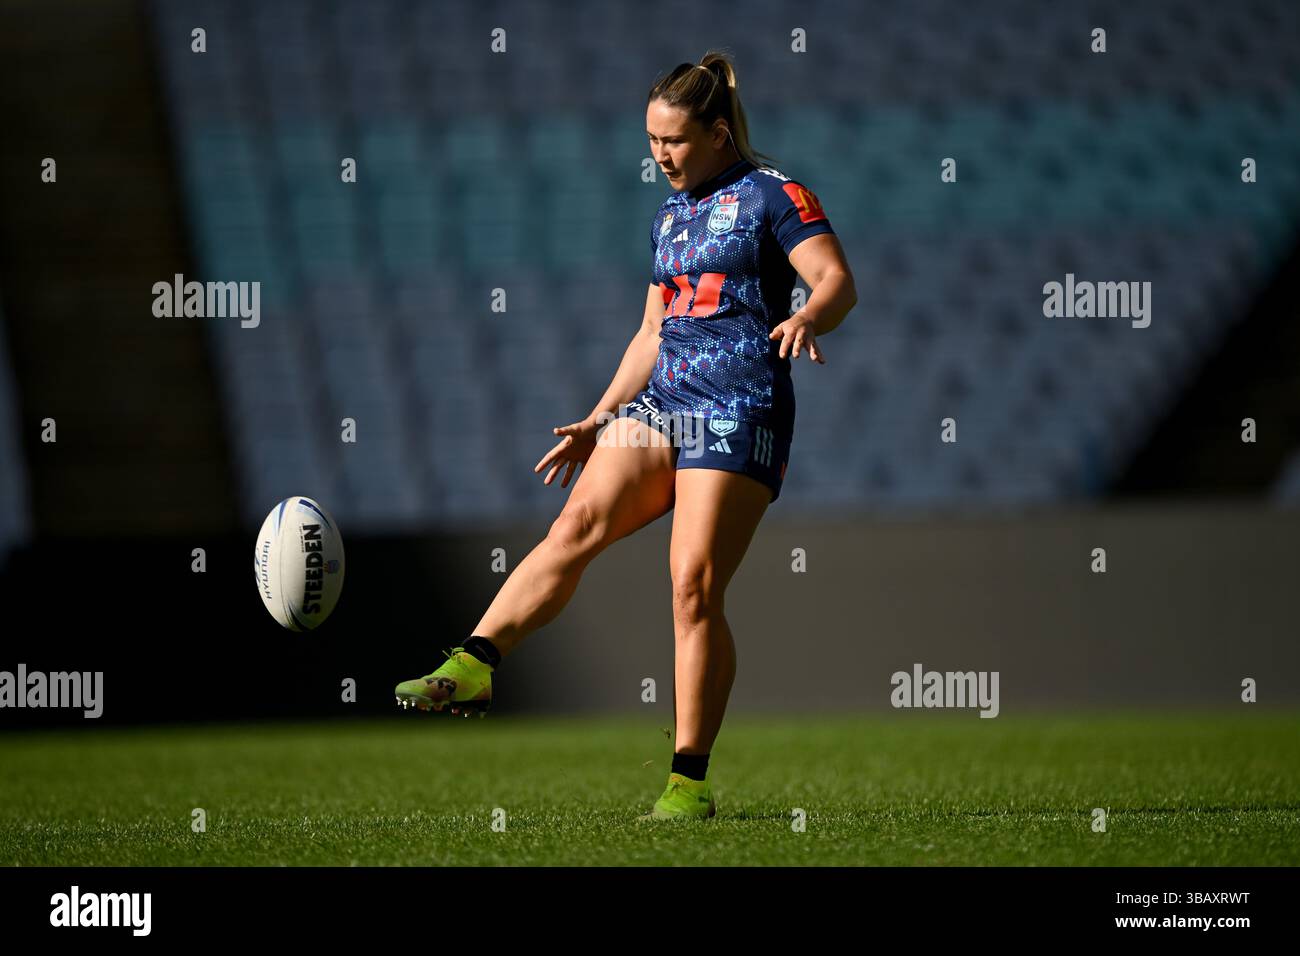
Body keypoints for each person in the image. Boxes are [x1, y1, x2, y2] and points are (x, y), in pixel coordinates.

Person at [395, 50, 857, 821]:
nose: (659, 156)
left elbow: (837, 280)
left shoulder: (776, 195)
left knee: (692, 585)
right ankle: (473, 663)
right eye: (650, 141)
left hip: (739, 406)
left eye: (673, 141)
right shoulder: (668, 217)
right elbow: (651, 329)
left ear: (716, 133)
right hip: (668, 400)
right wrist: (601, 415)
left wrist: (809, 313)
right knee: (575, 522)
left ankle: (687, 782)